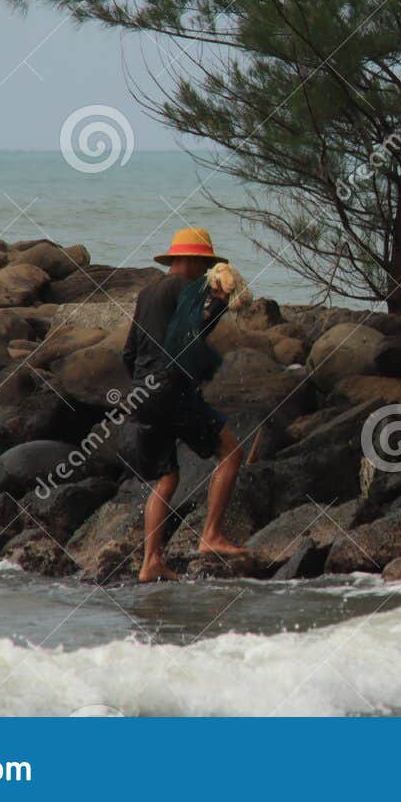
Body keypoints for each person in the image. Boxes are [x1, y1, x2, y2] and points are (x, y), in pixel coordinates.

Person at [122, 227, 249, 582]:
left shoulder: (147, 293)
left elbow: (129, 352)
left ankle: (150, 562)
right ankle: (211, 536)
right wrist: (221, 304)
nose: (206, 272)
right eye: (205, 264)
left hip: (142, 393)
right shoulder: (185, 288)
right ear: (192, 261)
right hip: (170, 390)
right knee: (231, 454)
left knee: (166, 478)